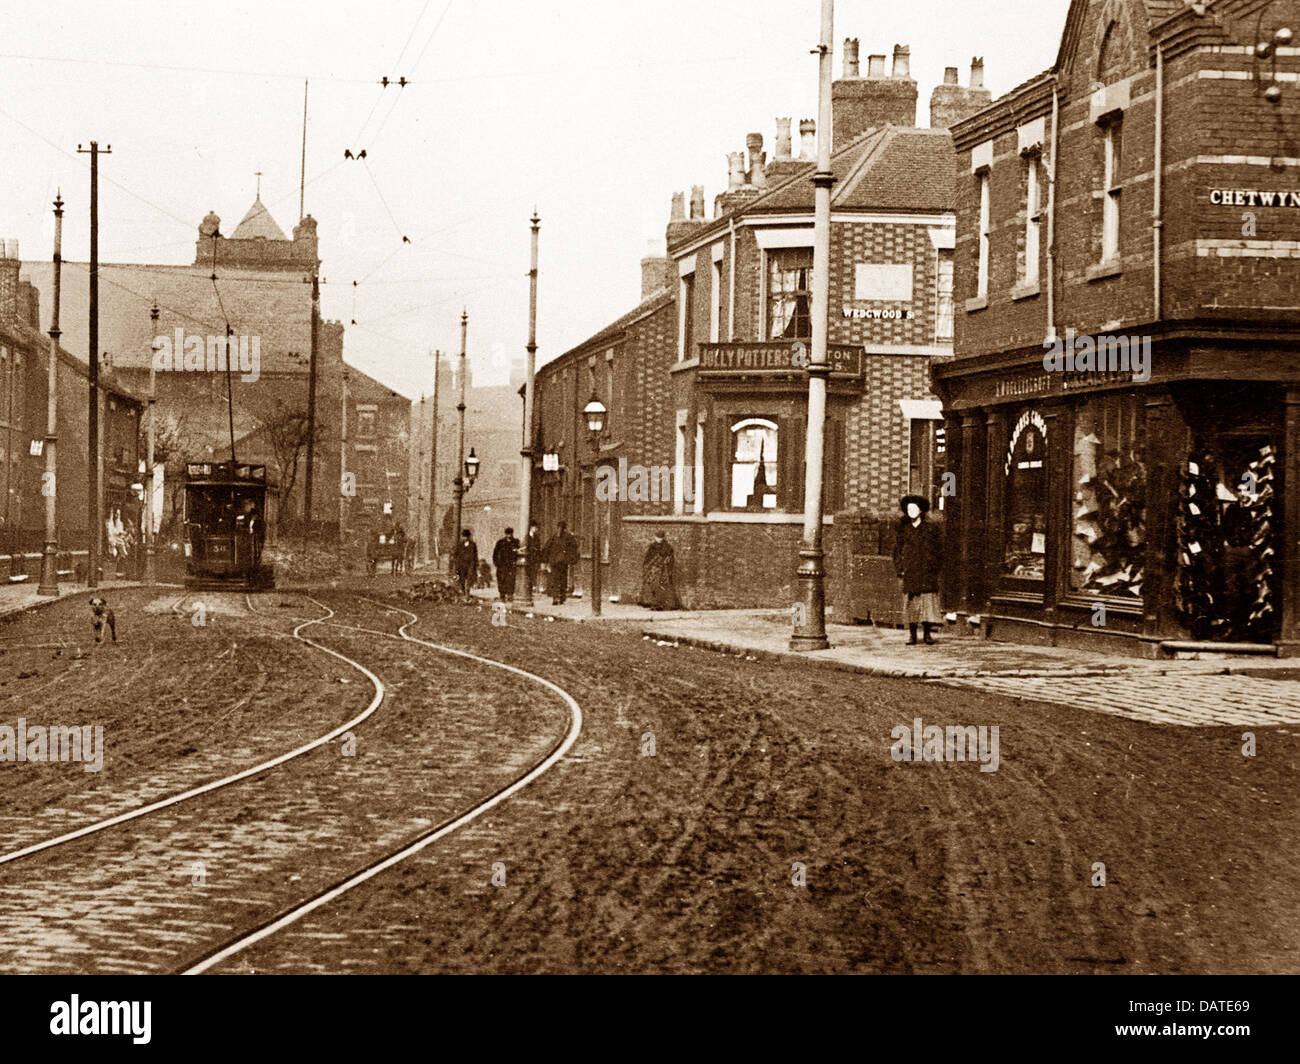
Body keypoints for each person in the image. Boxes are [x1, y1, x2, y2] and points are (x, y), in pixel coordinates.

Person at [892, 494, 944, 645]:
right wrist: (900, 568)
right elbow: (896, 552)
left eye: (914, 508)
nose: (911, 511)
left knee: (927, 604)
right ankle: (912, 635)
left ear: (921, 510)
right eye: (909, 509)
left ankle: (927, 634)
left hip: (926, 572)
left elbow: (938, 551)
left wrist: (933, 567)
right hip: (910, 571)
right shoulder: (904, 530)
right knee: (912, 605)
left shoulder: (930, 529)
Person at [639, 531, 682, 610]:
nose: (659, 539)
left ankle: (663, 604)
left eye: (661, 538)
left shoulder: (667, 547)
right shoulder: (652, 546)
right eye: (658, 537)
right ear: (655, 537)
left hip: (663, 570)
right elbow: (648, 558)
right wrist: (648, 568)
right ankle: (651, 603)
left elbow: (671, 559)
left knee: (663, 586)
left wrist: (667, 566)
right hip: (654, 570)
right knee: (653, 586)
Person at [543, 521, 579, 605]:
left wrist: (546, 561)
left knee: (555, 579)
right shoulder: (568, 537)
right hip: (562, 562)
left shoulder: (554, 536)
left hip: (555, 562)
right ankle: (561, 597)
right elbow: (574, 548)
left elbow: (546, 548)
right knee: (562, 579)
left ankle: (556, 597)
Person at [493, 526, 520, 601]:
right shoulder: (500, 542)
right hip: (502, 565)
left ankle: (510, 595)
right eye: (508, 534)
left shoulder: (516, 542)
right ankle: (502, 595)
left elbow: (518, 552)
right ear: (505, 534)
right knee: (502, 580)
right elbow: (495, 553)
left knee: (511, 580)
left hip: (511, 564)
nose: (509, 536)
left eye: (510, 534)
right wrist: (496, 563)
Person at [453, 529, 478, 599]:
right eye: (464, 536)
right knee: (462, 580)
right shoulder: (459, 545)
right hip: (461, 565)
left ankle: (467, 593)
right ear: (462, 537)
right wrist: (457, 563)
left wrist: (475, 565)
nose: (465, 538)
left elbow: (475, 555)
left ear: (469, 537)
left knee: (469, 579)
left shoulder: (473, 545)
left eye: (467, 536)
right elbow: (455, 554)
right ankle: (463, 592)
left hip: (470, 565)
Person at [524, 520, 542, 595]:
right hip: (529, 558)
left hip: (534, 558)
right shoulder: (526, 537)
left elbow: (538, 546)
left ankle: (532, 587)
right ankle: (528, 588)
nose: (536, 529)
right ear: (531, 527)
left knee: (534, 573)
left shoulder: (537, 537)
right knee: (528, 573)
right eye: (535, 527)